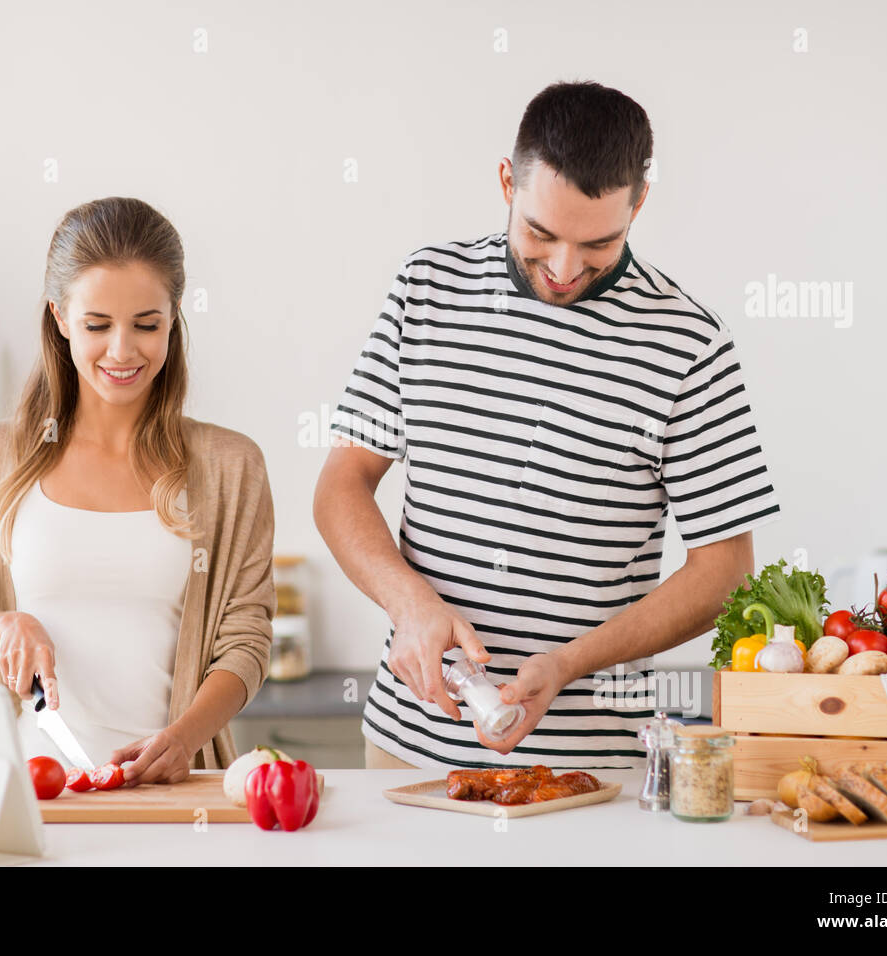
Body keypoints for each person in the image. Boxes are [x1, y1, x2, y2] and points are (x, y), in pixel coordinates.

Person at [314, 81, 782, 771]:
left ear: (639, 202)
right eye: (541, 232)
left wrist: (570, 663)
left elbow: (725, 571)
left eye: (599, 241)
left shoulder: (689, 343)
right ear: (508, 181)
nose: (565, 270)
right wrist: (409, 602)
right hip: (408, 754)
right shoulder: (427, 289)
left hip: (591, 772)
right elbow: (341, 485)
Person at [0, 197, 276, 782]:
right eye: (97, 325)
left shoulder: (231, 467)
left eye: (146, 324)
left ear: (174, 316)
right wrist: (5, 624)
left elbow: (245, 641)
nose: (123, 351)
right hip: (25, 789)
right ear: (59, 316)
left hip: (172, 791)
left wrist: (184, 739)